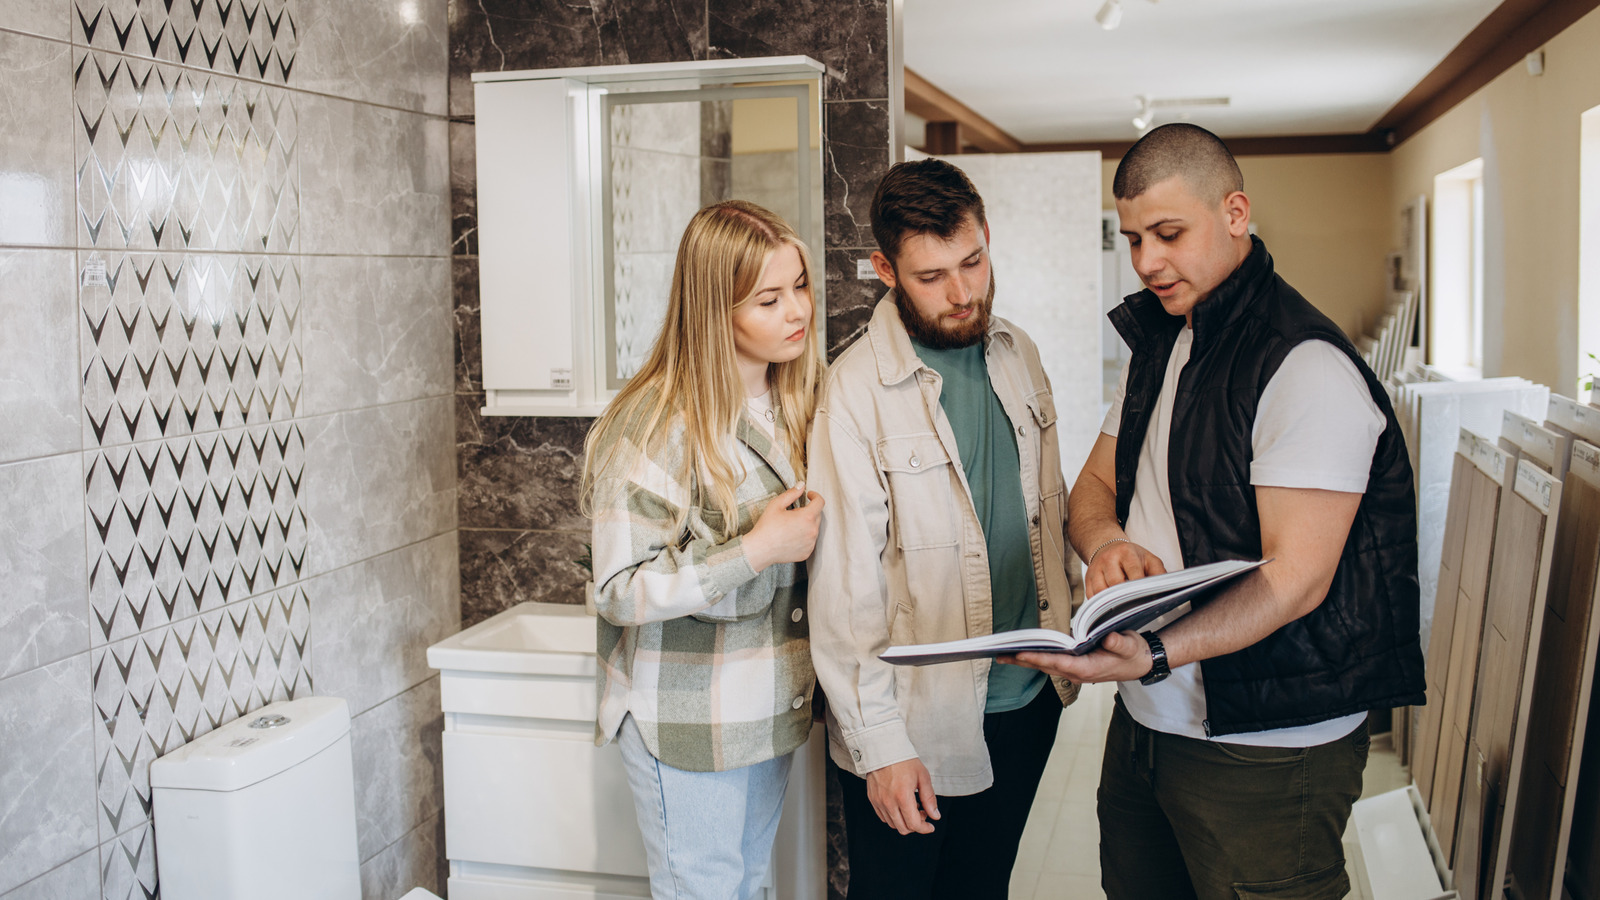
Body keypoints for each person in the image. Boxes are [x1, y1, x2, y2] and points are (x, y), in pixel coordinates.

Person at [1006, 123, 1425, 899]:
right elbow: (1092, 488)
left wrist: (1159, 654)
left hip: (1268, 744)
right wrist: (1105, 545)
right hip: (1149, 724)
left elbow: (1294, 579)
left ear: (1236, 213)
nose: (1146, 261)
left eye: (1169, 233)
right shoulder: (1162, 340)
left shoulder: (1304, 366)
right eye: (1132, 238)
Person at [806, 158, 1081, 898]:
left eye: (974, 262)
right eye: (932, 277)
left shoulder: (1018, 351)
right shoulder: (854, 391)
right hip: (917, 725)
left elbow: (1044, 507)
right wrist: (881, 748)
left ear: (986, 237)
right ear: (884, 270)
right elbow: (844, 593)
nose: (963, 294)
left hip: (1026, 700)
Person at [581, 200, 826, 899]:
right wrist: (753, 549)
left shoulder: (794, 402)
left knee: (747, 888)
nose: (796, 312)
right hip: (687, 718)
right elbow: (620, 589)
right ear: (714, 310)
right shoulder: (656, 424)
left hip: (768, 706)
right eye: (768, 299)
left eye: (800, 286)